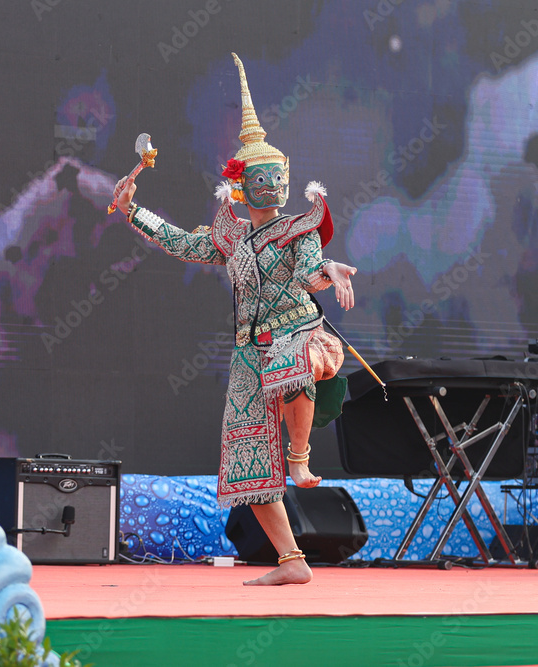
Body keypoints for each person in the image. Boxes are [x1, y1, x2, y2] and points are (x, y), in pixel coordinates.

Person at [112, 53, 357, 585]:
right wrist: (134, 210)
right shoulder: (230, 236)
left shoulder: (301, 229)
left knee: (289, 365)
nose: (268, 184)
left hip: (295, 333)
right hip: (249, 347)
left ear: (285, 178)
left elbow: (313, 273)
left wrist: (332, 274)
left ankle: (300, 456)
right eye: (259, 176)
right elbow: (182, 241)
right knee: (245, 457)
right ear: (242, 182)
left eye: (275, 175)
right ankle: (292, 562)